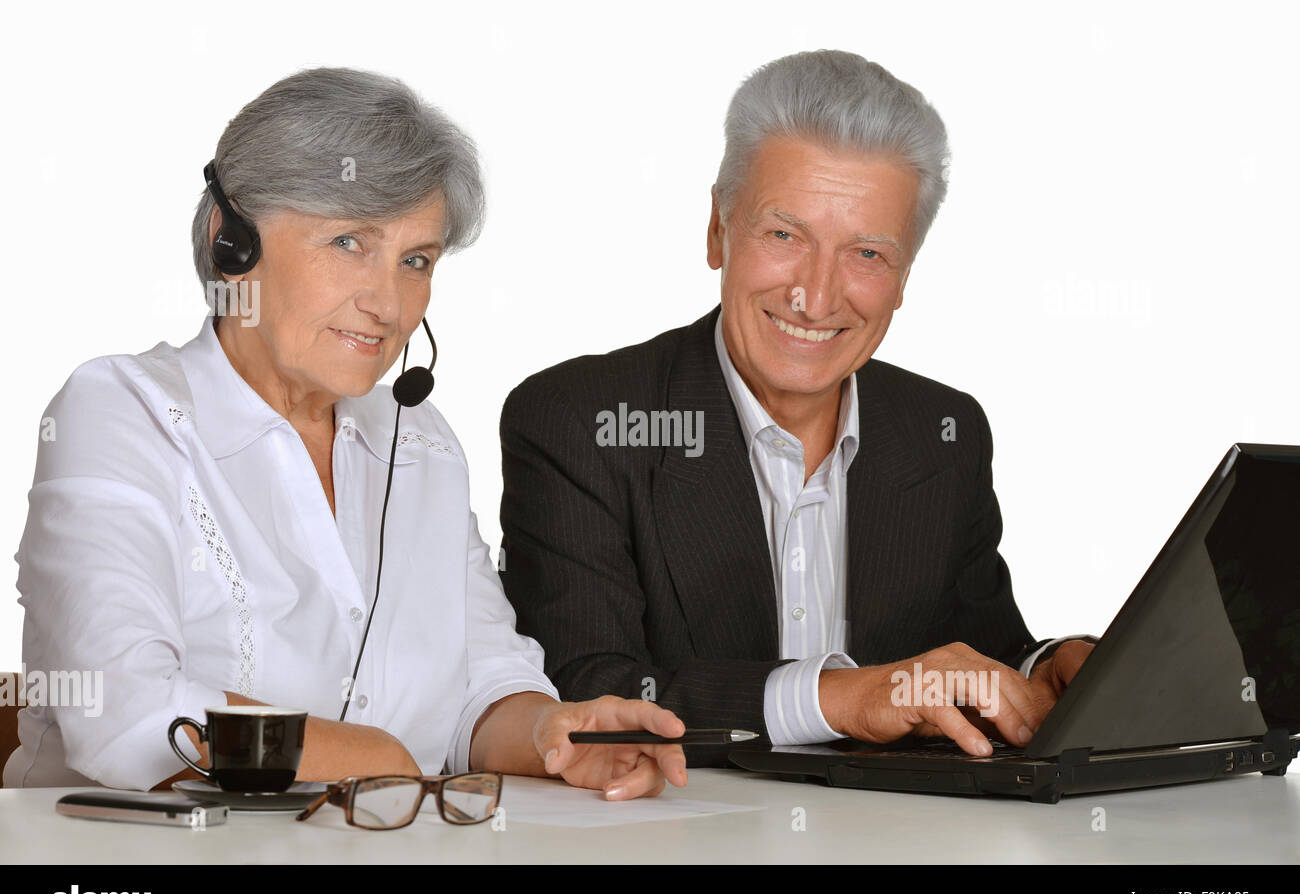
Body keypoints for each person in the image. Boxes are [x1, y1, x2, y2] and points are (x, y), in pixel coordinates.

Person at [4, 67, 687, 800]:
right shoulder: (121, 411)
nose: (388, 303)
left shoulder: (419, 441)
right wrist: (374, 754)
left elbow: (480, 683)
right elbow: (123, 712)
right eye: (348, 243)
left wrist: (554, 735)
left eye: (415, 260)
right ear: (231, 242)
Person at [498, 50, 1097, 767]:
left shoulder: (944, 432)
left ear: (904, 276)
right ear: (719, 230)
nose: (817, 295)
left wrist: (1051, 669)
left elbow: (975, 656)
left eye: (868, 253)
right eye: (784, 235)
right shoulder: (580, 422)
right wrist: (843, 696)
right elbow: (584, 694)